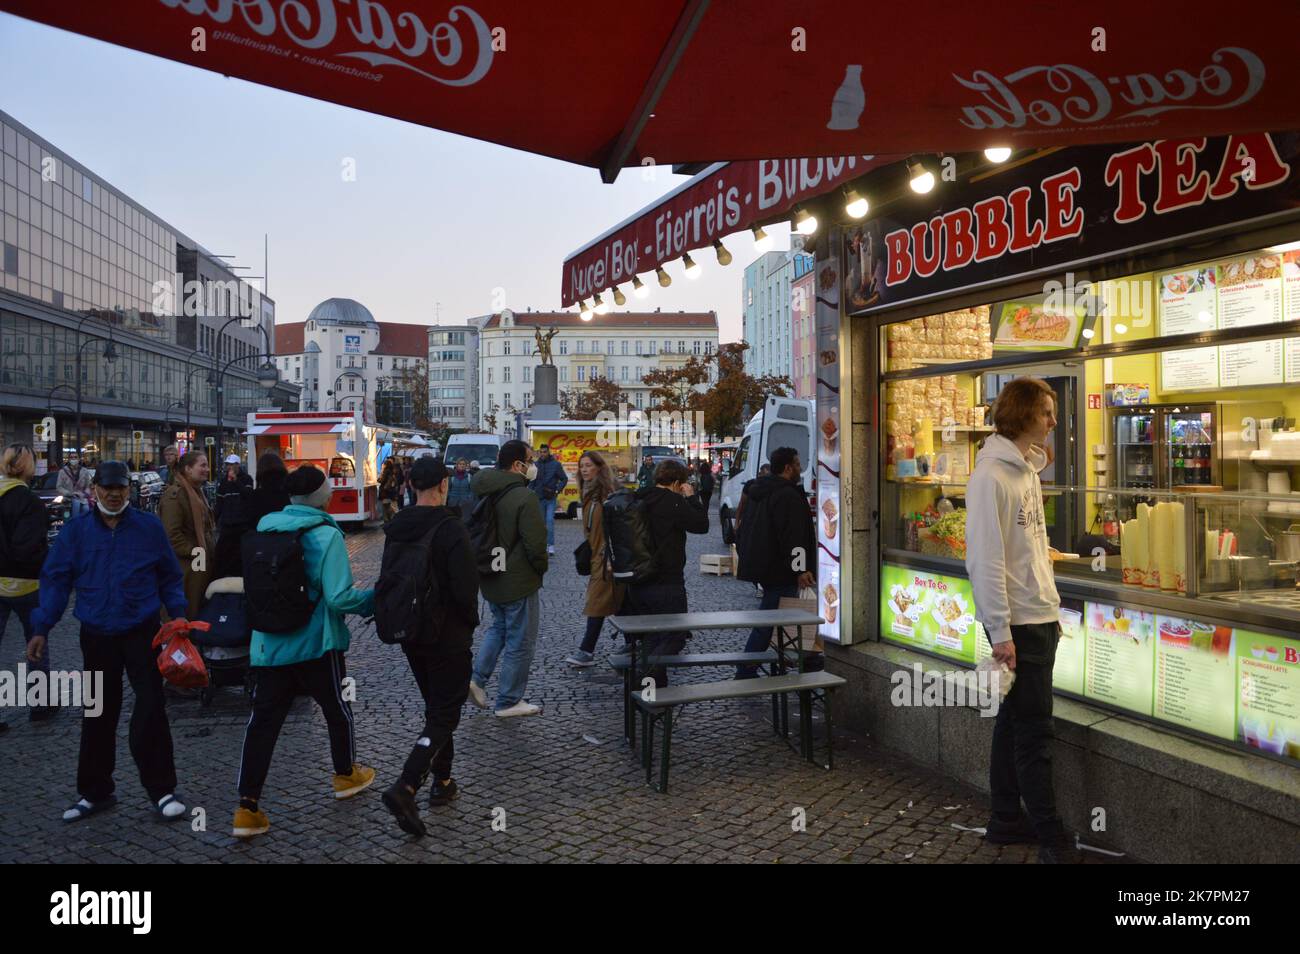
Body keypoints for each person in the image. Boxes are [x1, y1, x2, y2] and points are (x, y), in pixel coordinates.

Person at [28, 460, 190, 822]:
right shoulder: (76, 532)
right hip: (97, 633)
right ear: (95, 489)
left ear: (128, 491)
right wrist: (42, 627)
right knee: (98, 712)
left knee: (150, 709)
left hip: (142, 631)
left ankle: (162, 790)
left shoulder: (149, 528)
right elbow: (56, 580)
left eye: (120, 489)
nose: (114, 495)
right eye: (107, 489)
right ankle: (95, 791)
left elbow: (169, 575)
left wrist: (178, 615)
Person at [965, 377, 1077, 864]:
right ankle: (1052, 836)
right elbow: (985, 560)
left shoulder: (1023, 471)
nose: (1054, 421)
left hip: (1038, 616)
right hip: (1020, 624)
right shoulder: (990, 477)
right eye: (1046, 412)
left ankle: (1005, 819)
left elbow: (1028, 547)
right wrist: (1001, 633)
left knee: (1012, 723)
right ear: (1023, 414)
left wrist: (1049, 607)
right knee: (1035, 733)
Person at [232, 465, 376, 839]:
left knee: (262, 723)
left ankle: (247, 808)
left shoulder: (265, 527)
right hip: (315, 642)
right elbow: (340, 597)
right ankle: (345, 775)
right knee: (336, 709)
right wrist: (374, 600)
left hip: (268, 644)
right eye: (327, 486)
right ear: (319, 495)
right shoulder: (325, 535)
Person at [378, 458, 480, 836]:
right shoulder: (450, 527)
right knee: (444, 714)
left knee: (436, 706)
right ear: (442, 485)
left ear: (410, 485)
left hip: (410, 630)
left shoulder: (397, 526)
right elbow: (466, 587)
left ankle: (444, 781)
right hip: (447, 633)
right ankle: (406, 785)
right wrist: (468, 622)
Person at [468, 440, 548, 718]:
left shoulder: (483, 489)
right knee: (520, 640)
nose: (533, 465)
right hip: (518, 580)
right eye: (530, 460)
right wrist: (540, 570)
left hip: (490, 574)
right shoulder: (524, 497)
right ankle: (509, 700)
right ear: (517, 465)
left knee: (498, 629)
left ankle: (477, 679)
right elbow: (536, 545)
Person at [625, 459, 709, 687]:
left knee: (652, 636)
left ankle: (653, 693)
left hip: (637, 580)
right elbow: (702, 524)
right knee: (675, 635)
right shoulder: (672, 502)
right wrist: (691, 496)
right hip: (667, 581)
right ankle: (647, 675)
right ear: (676, 482)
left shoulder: (639, 496)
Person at [735, 447, 815, 677]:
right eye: (798, 464)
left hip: (764, 564)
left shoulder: (761, 491)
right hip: (781, 569)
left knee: (773, 618)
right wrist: (800, 569)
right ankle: (746, 668)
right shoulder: (787, 495)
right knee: (769, 619)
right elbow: (794, 537)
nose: (800, 469)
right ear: (788, 467)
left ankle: (775, 663)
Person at [0, 444, 53, 728]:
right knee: (36, 644)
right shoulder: (28, 501)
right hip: (25, 584)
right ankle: (40, 703)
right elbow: (28, 548)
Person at [564, 450, 624, 667]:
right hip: (598, 554)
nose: (585, 469)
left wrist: (609, 553)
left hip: (607, 556)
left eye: (588, 465)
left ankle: (586, 650)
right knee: (619, 602)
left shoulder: (607, 492)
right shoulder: (588, 492)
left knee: (597, 602)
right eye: (582, 466)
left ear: (599, 467)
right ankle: (631, 644)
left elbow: (616, 527)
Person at [158, 450, 215, 618]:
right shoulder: (175, 495)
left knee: (197, 610)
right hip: (186, 566)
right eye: (202, 465)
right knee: (184, 612)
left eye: (207, 465)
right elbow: (171, 534)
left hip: (199, 562)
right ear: (188, 469)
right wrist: (196, 552)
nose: (207, 469)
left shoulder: (196, 491)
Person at [527, 442, 568, 556]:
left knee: (549, 521)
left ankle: (550, 546)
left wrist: (557, 490)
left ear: (548, 452)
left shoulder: (556, 465)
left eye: (545, 452)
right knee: (541, 523)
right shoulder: (535, 465)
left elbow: (564, 479)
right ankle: (542, 545)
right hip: (539, 497)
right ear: (539, 452)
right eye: (541, 452)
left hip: (550, 498)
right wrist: (530, 492)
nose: (543, 454)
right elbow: (532, 481)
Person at [378, 457, 402, 524]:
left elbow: (381, 480)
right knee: (389, 506)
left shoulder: (386, 471)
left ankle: (388, 521)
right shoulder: (392, 471)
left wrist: (378, 479)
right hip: (391, 492)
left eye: (384, 464)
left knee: (386, 507)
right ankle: (391, 520)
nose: (383, 465)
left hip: (385, 492)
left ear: (385, 465)